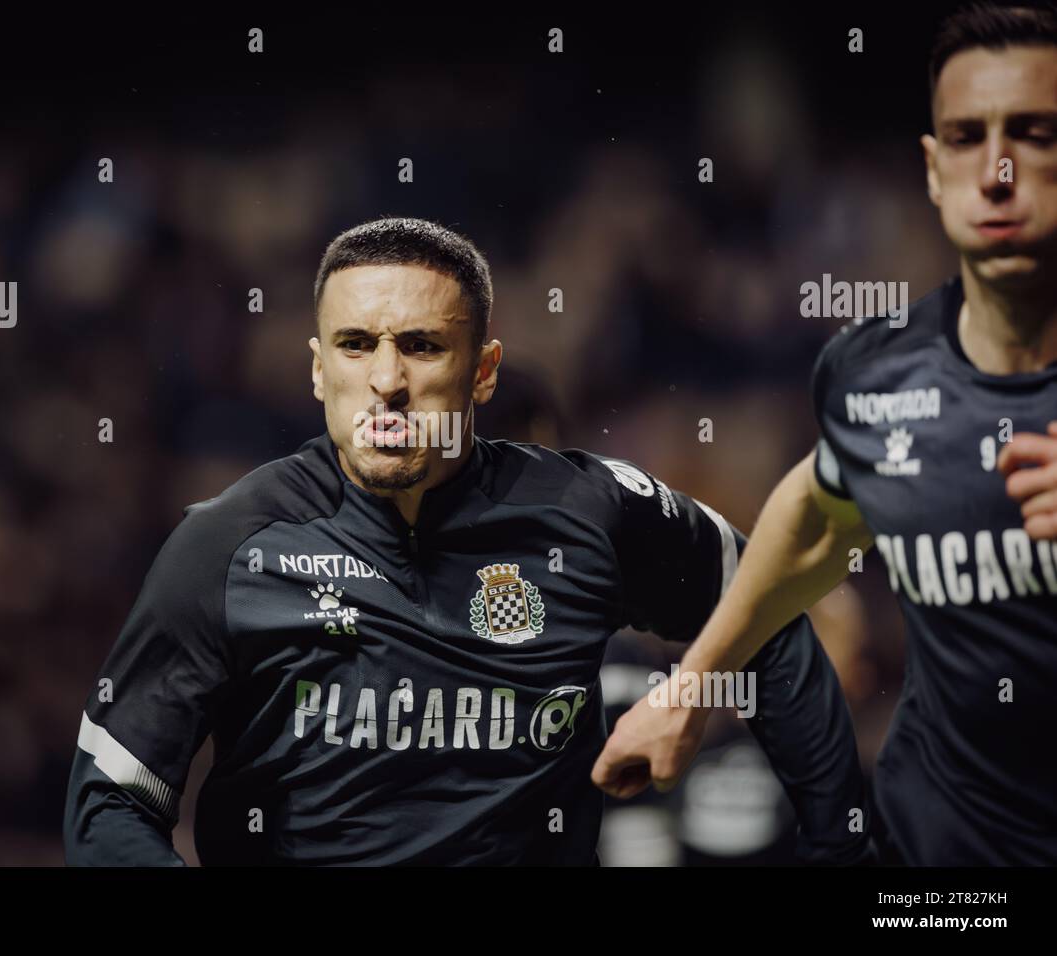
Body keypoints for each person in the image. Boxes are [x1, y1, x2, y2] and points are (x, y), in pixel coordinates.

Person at [64, 216, 869, 865]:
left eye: (420, 345)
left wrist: (839, 848)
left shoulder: (590, 510)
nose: (386, 380)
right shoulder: (228, 544)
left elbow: (772, 619)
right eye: (355, 345)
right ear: (317, 370)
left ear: (483, 371)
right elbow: (111, 797)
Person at [592, 3, 1057, 865]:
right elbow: (811, 523)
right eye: (965, 137)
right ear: (932, 167)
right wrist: (693, 685)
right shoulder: (875, 376)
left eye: (1033, 132)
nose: (997, 170)